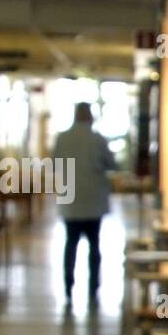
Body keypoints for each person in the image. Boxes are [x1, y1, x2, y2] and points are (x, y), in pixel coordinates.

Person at [52, 102, 115, 300]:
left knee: (70, 243)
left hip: (71, 202)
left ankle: (68, 282)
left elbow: (55, 164)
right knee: (94, 245)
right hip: (93, 201)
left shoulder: (62, 139)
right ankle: (93, 284)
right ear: (89, 117)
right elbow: (111, 163)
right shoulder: (98, 140)